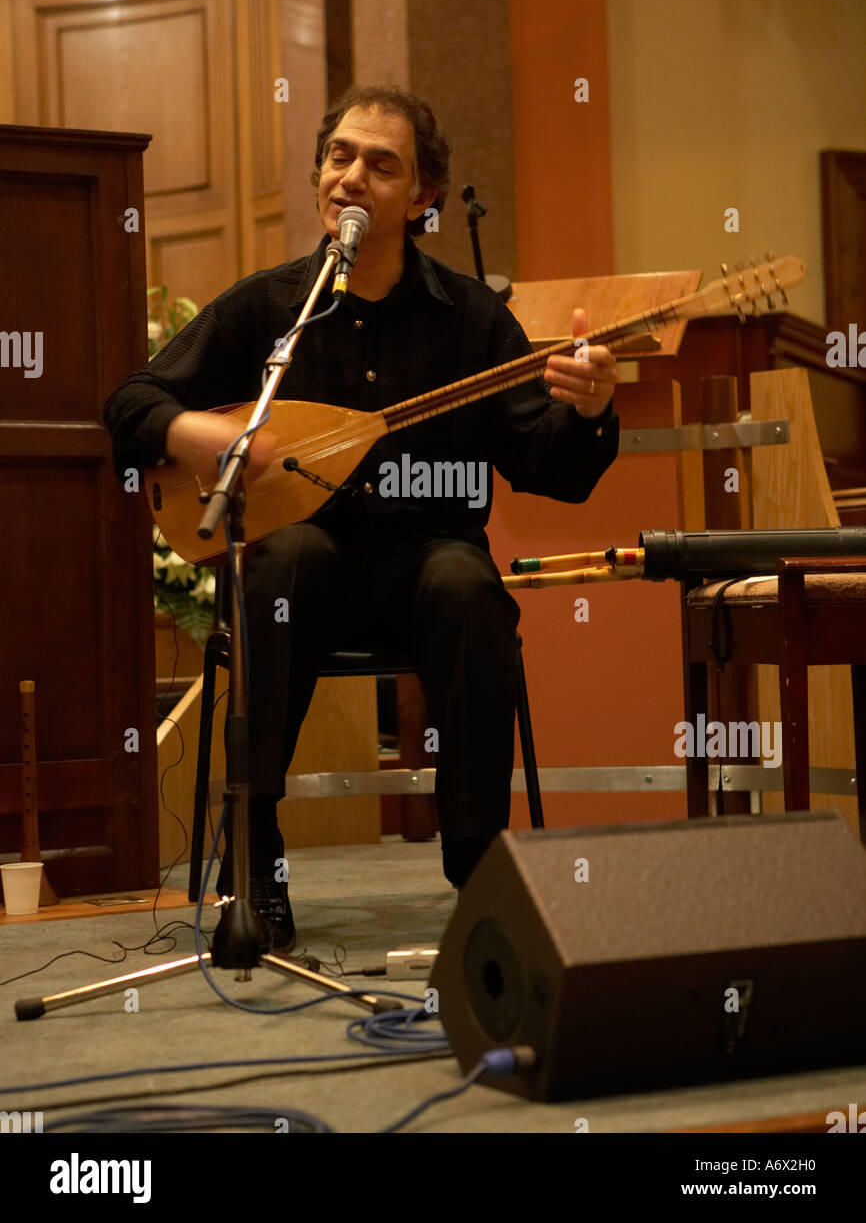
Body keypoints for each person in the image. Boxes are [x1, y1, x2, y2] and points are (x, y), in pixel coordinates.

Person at [104, 84, 620, 952]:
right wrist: (198, 433)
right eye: (339, 157)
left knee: (467, 582)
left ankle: (479, 867)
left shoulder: (474, 320)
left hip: (429, 562)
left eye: (382, 165)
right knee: (287, 560)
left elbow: (551, 466)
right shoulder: (271, 308)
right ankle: (256, 859)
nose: (351, 177)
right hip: (308, 575)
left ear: (422, 201)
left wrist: (591, 410)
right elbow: (129, 404)